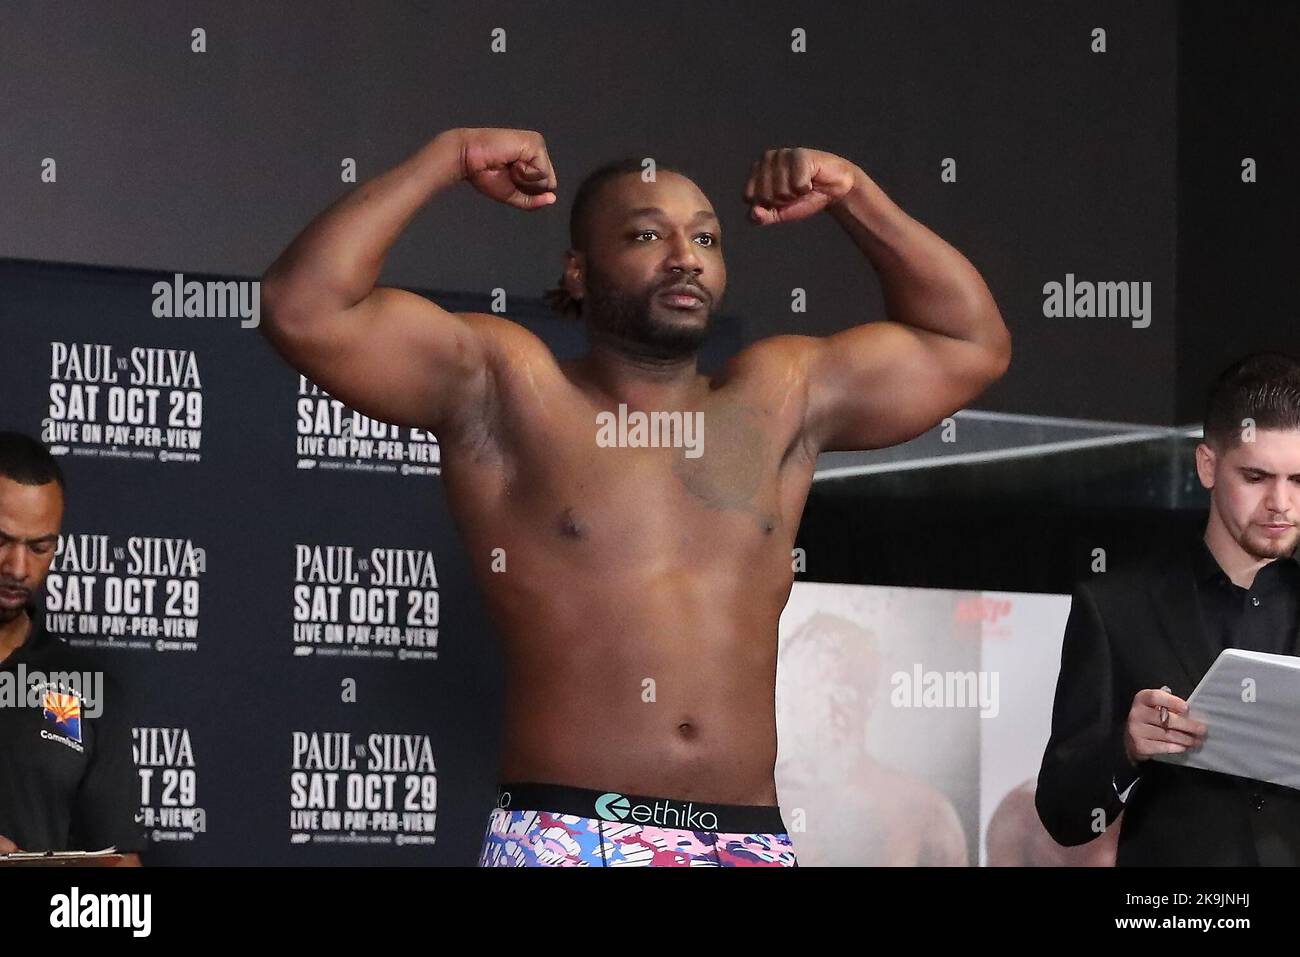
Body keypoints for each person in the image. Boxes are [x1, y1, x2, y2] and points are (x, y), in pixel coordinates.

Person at [260, 127, 1010, 866]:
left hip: (745, 840)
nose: (686, 259)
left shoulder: (779, 395)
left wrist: (854, 192)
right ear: (579, 271)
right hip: (572, 833)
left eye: (707, 240)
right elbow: (306, 308)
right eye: (649, 236)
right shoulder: (511, 387)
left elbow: (968, 343)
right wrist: (444, 159)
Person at [1037, 353, 1300, 865]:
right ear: (1207, 466)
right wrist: (1126, 749)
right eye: (1256, 477)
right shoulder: (1116, 607)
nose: (1281, 503)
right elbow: (1064, 815)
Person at [0, 432, 143, 864]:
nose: (18, 568)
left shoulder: (82, 689)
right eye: (1, 541)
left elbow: (118, 867)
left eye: (39, 547)